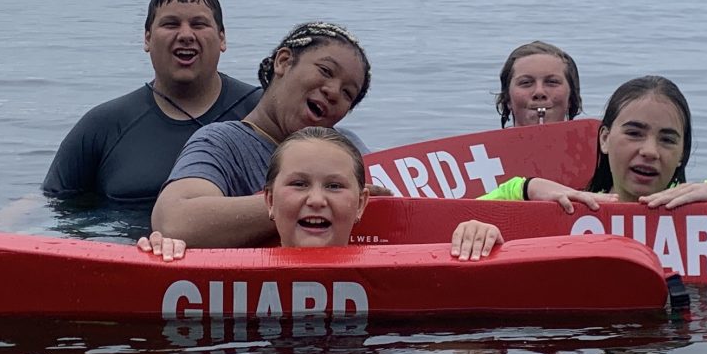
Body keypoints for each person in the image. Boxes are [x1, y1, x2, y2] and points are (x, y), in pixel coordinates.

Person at [450, 75, 707, 255]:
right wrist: (526, 187)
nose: (650, 151)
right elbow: (458, 219)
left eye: (667, 140)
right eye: (635, 133)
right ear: (605, 139)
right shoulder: (568, 207)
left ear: (682, 154)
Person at [42, 0, 260, 205]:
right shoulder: (103, 126)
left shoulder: (263, 113)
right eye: (171, 24)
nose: (186, 35)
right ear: (147, 38)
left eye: (199, 24)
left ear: (222, 38)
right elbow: (51, 203)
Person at [149, 23, 372, 247]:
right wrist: (295, 205)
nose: (333, 92)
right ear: (283, 62)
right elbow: (174, 222)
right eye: (325, 71)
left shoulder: (350, 146)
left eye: (347, 92)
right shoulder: (221, 143)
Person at [142, 126, 501, 261]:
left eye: (334, 186)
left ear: (362, 203)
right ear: (269, 200)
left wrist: (477, 233)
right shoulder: (228, 255)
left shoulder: (398, 253)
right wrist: (165, 253)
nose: (316, 199)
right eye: (298, 184)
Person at [496, 40, 583, 127]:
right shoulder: (485, 140)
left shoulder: (593, 139)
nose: (539, 92)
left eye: (552, 82)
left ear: (571, 98)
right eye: (526, 82)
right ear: (507, 99)